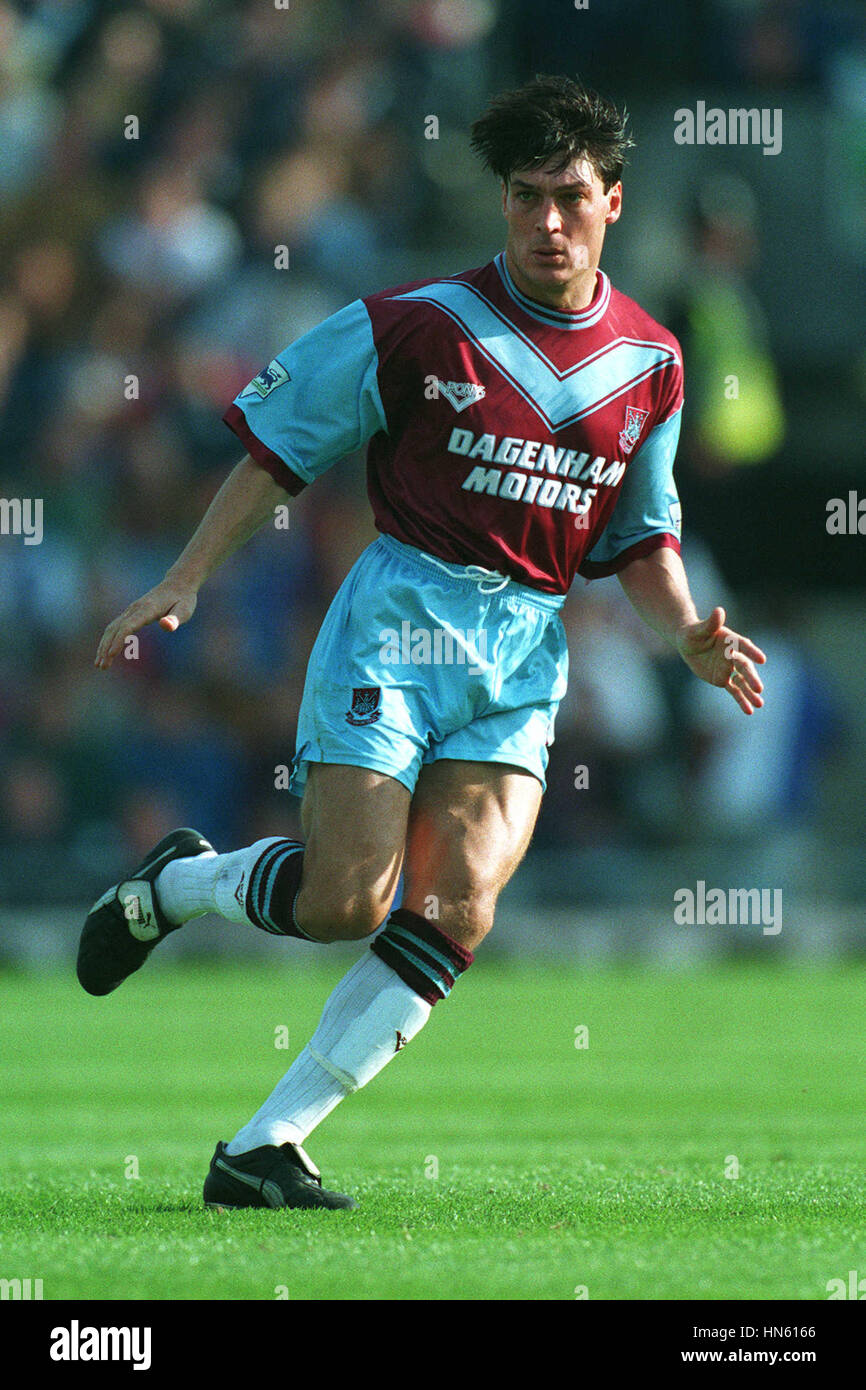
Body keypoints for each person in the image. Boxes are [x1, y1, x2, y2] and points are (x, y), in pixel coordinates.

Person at [78, 76, 766, 1211]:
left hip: (522, 649)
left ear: (613, 202)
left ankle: (265, 1144)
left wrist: (688, 629)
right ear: (503, 203)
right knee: (344, 903)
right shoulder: (415, 324)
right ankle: (182, 884)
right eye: (526, 196)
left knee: (457, 906)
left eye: (570, 197)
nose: (547, 221)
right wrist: (183, 578)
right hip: (397, 628)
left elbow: (641, 535)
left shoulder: (652, 362)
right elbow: (277, 454)